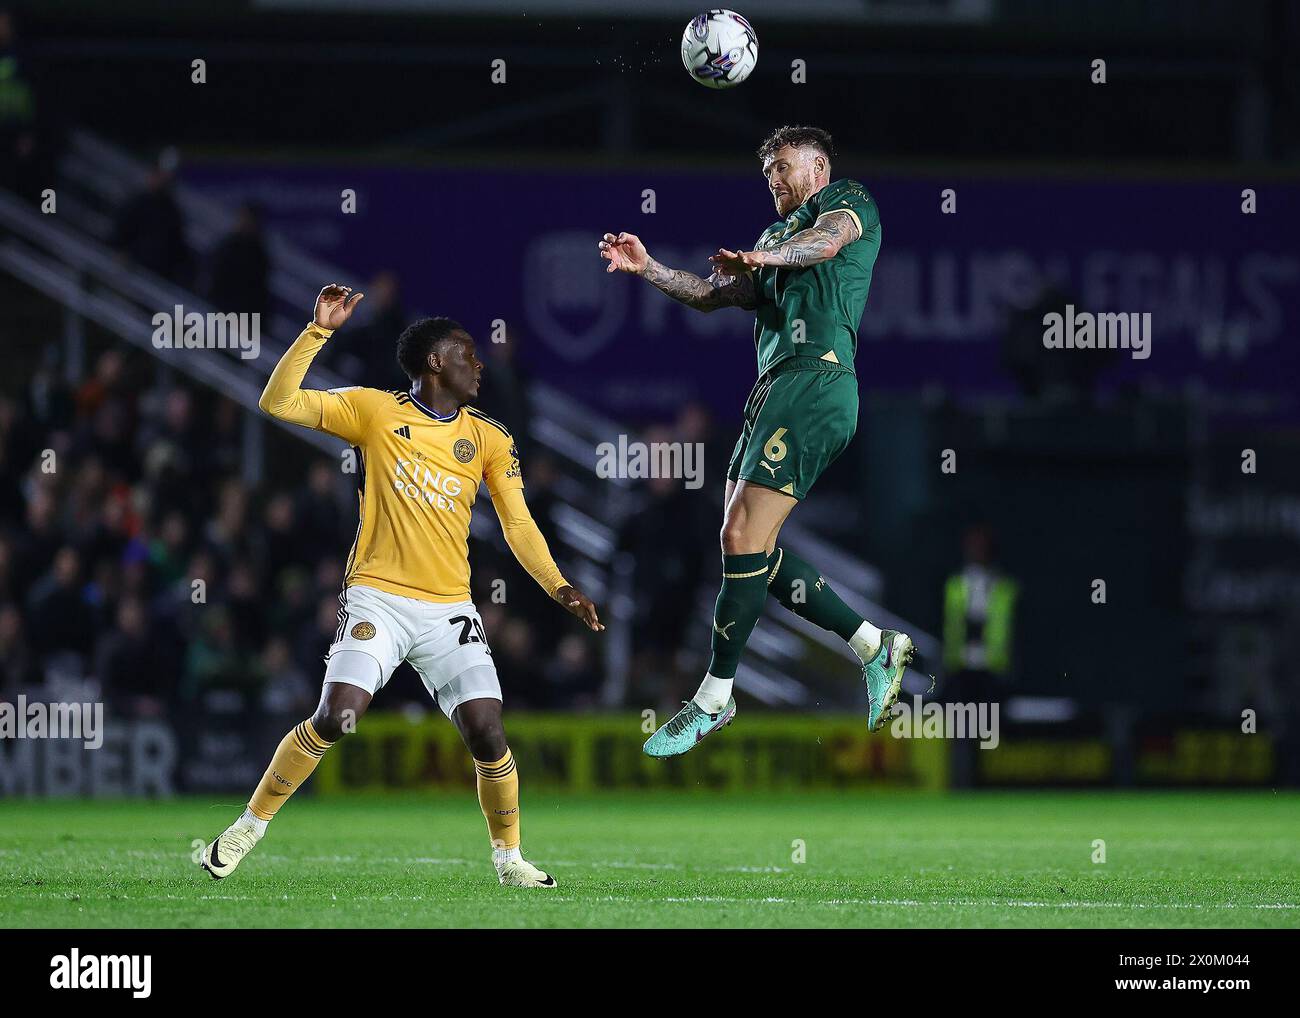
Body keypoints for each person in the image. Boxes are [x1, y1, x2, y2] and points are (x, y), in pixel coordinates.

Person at [199, 284, 603, 888]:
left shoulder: (491, 439)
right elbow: (277, 402)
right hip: (378, 598)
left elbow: (517, 523)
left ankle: (509, 858)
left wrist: (559, 586)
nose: (480, 364)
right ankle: (247, 827)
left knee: (487, 729)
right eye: (468, 354)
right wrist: (318, 332)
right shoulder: (375, 411)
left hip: (449, 610)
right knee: (337, 716)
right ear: (436, 362)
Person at [600, 124, 914, 755]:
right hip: (774, 390)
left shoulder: (847, 202)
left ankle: (715, 696)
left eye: (784, 165)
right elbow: (717, 295)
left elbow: (825, 246)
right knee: (751, 550)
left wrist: (768, 258)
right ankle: (875, 647)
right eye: (767, 169)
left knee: (741, 537)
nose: (773, 177)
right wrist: (651, 268)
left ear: (818, 167)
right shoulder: (772, 237)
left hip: (817, 380)